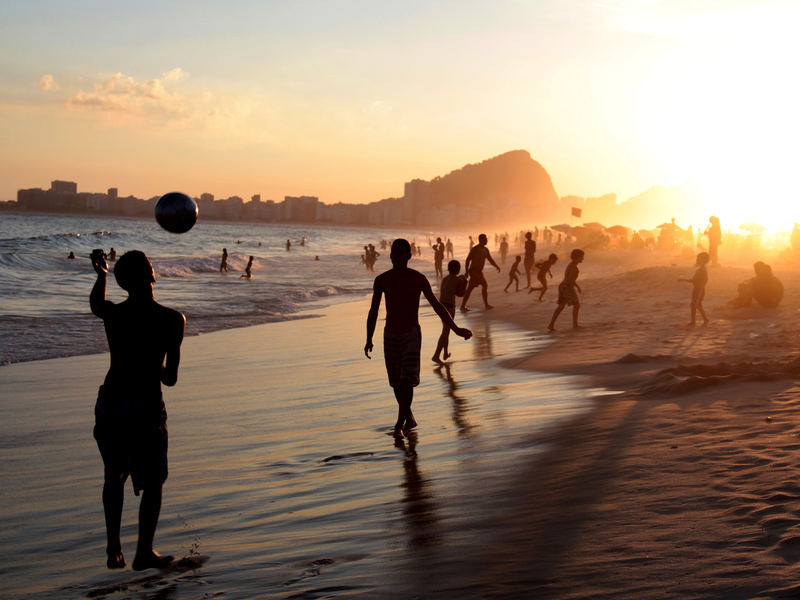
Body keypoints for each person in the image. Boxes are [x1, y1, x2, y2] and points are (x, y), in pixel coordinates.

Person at [89, 249, 185, 571]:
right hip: (145, 406)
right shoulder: (173, 320)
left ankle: (114, 547)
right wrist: (151, 361)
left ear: (123, 283)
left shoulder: (115, 315)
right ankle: (144, 551)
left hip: (113, 401)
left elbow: (96, 306)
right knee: (154, 480)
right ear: (152, 274)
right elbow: (169, 379)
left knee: (113, 475)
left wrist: (101, 274)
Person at [365, 239, 472, 439]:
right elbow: (373, 311)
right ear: (390, 255)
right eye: (394, 252)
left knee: (407, 380)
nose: (397, 255)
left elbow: (438, 306)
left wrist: (456, 329)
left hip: (411, 334)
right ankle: (409, 417)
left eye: (401, 252)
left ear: (409, 255)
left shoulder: (418, 279)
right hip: (390, 334)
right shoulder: (382, 280)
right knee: (396, 383)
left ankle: (399, 424)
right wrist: (369, 338)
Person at [432, 260, 468, 364]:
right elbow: (461, 294)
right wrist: (465, 282)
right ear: (458, 269)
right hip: (450, 307)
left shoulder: (445, 279)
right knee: (445, 331)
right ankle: (436, 355)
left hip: (441, 306)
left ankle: (445, 353)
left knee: (446, 329)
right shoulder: (458, 280)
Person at [460, 234, 501, 312]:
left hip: (479, 272)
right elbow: (468, 260)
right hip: (473, 271)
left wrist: (496, 266)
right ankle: (486, 305)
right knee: (485, 285)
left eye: (486, 239)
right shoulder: (475, 249)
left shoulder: (485, 250)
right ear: (480, 240)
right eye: (485, 239)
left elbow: (490, 259)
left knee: (470, 288)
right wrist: (466, 271)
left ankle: (463, 306)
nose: (486, 240)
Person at [547, 249, 584, 330]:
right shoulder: (574, 266)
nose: (583, 259)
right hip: (567, 286)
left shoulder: (572, 264)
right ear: (576, 257)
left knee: (561, 306)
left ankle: (551, 324)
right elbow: (571, 279)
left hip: (563, 285)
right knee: (577, 305)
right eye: (581, 257)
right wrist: (578, 287)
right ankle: (575, 325)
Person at [679, 252, 710, 326]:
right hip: (697, 288)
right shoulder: (701, 269)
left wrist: (683, 279)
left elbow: (694, 280)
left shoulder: (702, 269)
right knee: (693, 305)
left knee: (697, 305)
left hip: (699, 289)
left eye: (698, 258)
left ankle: (705, 319)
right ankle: (693, 321)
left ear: (702, 259)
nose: (696, 260)